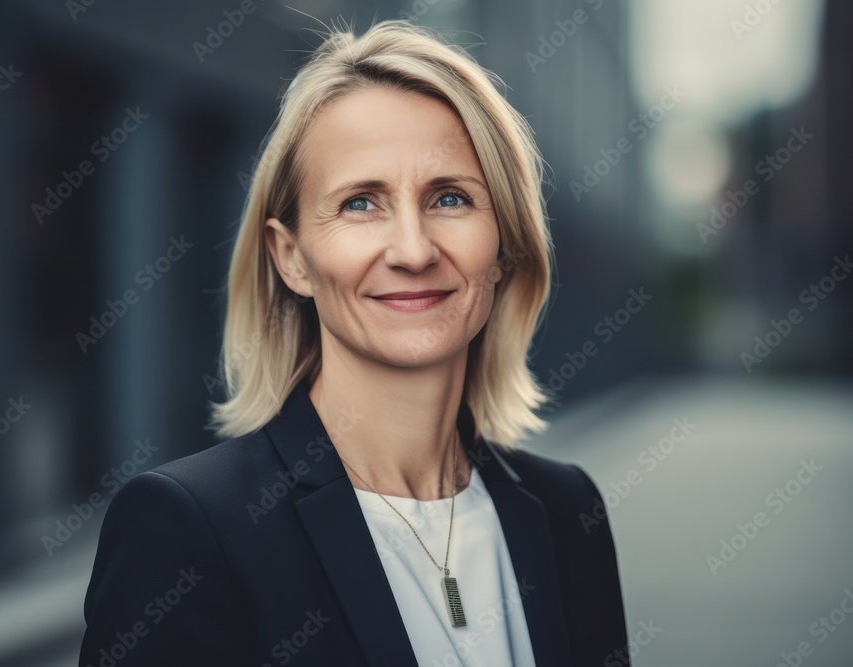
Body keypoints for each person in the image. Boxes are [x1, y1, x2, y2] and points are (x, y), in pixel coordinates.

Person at [80, 18, 629, 667]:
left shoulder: (568, 511)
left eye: (449, 198)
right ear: (291, 258)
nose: (414, 251)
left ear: (505, 246)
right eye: (361, 203)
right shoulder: (189, 528)